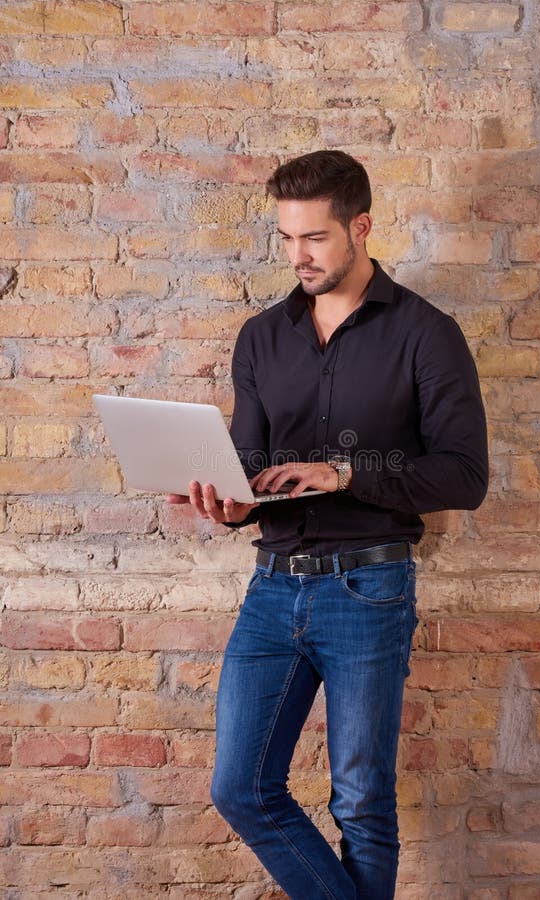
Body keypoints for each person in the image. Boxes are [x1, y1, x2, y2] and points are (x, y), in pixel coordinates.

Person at [167, 150, 488, 899]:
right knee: (241, 789)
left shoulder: (425, 334)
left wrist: (345, 474)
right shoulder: (262, 337)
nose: (297, 255)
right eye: (285, 238)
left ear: (360, 226)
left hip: (369, 587)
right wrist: (229, 502)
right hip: (272, 590)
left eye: (312, 237)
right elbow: (248, 462)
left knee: (362, 803)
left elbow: (464, 478)